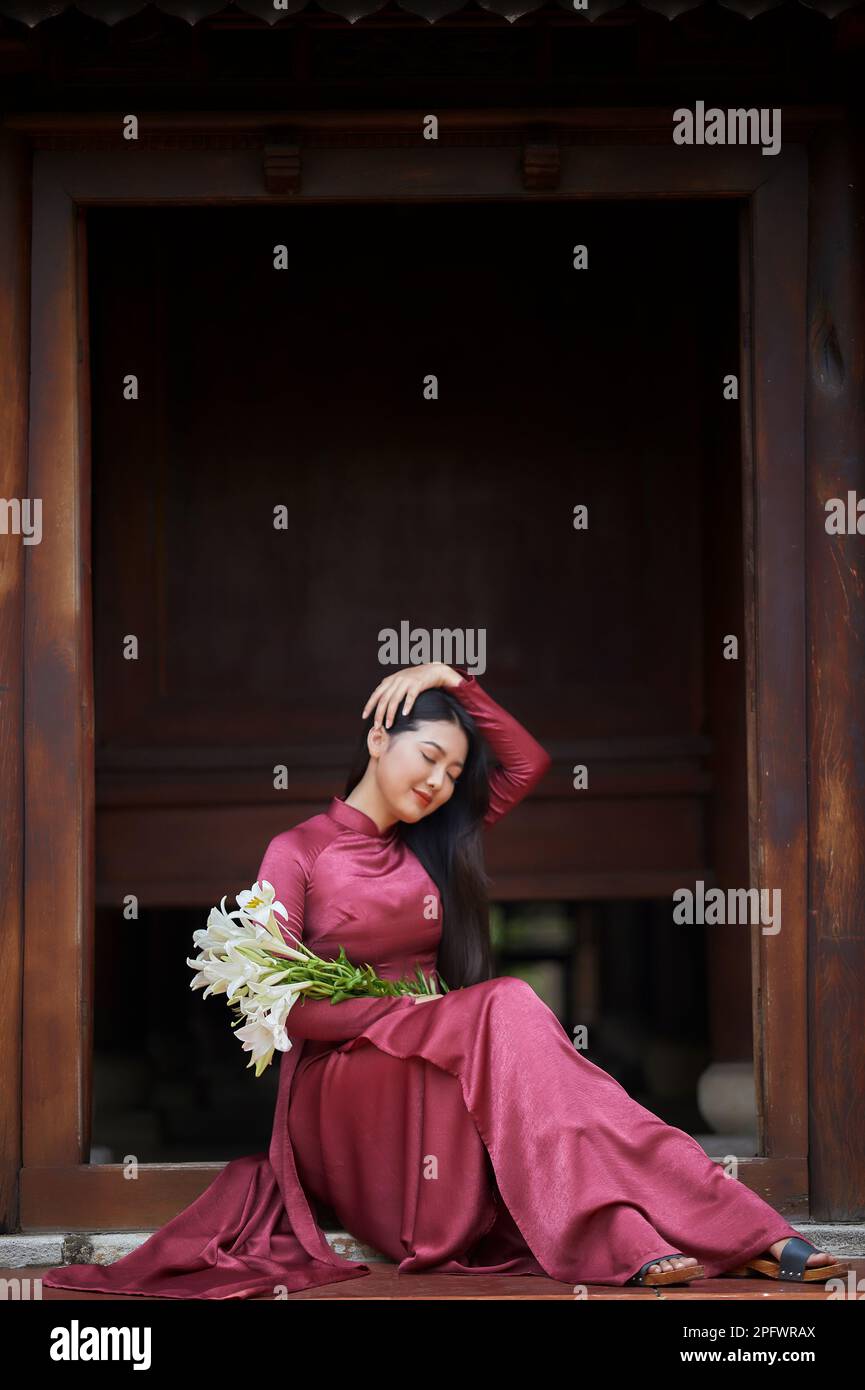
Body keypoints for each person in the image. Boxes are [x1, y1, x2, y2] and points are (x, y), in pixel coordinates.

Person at [43, 662, 846, 1298]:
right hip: (342, 1087)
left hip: (444, 1048)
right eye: (428, 755)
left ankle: (659, 1237)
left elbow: (530, 763)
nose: (437, 782)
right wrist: (403, 1014)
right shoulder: (298, 852)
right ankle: (735, 1228)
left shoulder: (432, 842)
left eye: (452, 771)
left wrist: (453, 681)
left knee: (528, 1051)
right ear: (377, 740)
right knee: (503, 1007)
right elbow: (282, 1012)